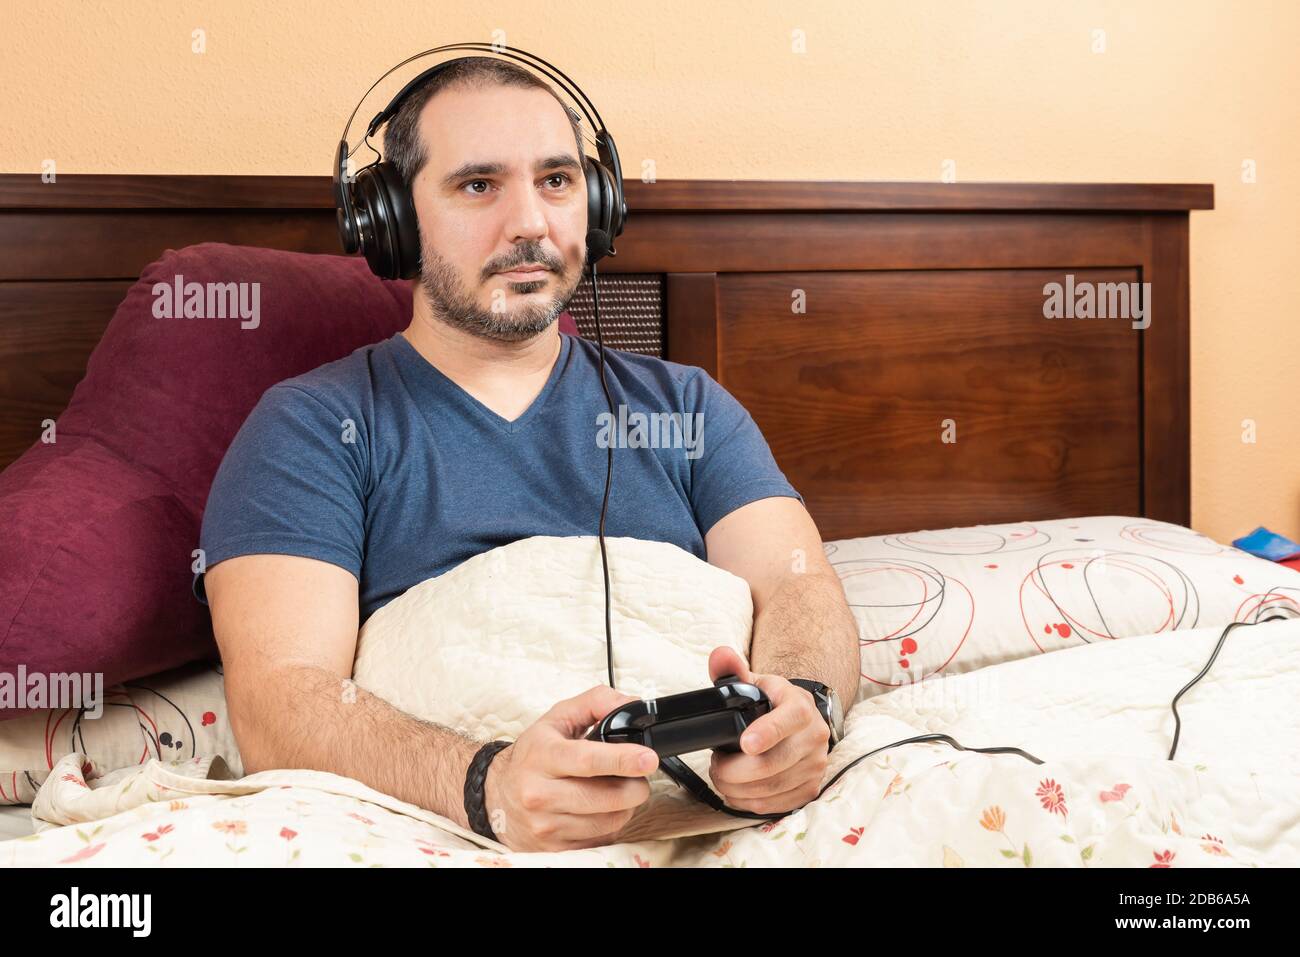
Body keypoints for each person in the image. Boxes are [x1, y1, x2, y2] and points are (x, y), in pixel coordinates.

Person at [198, 57, 860, 853]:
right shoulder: (310, 427)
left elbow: (799, 587)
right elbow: (281, 699)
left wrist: (805, 711)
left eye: (556, 179)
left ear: (598, 205)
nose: (530, 224)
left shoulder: (686, 407)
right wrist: (488, 784)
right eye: (479, 185)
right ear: (394, 220)